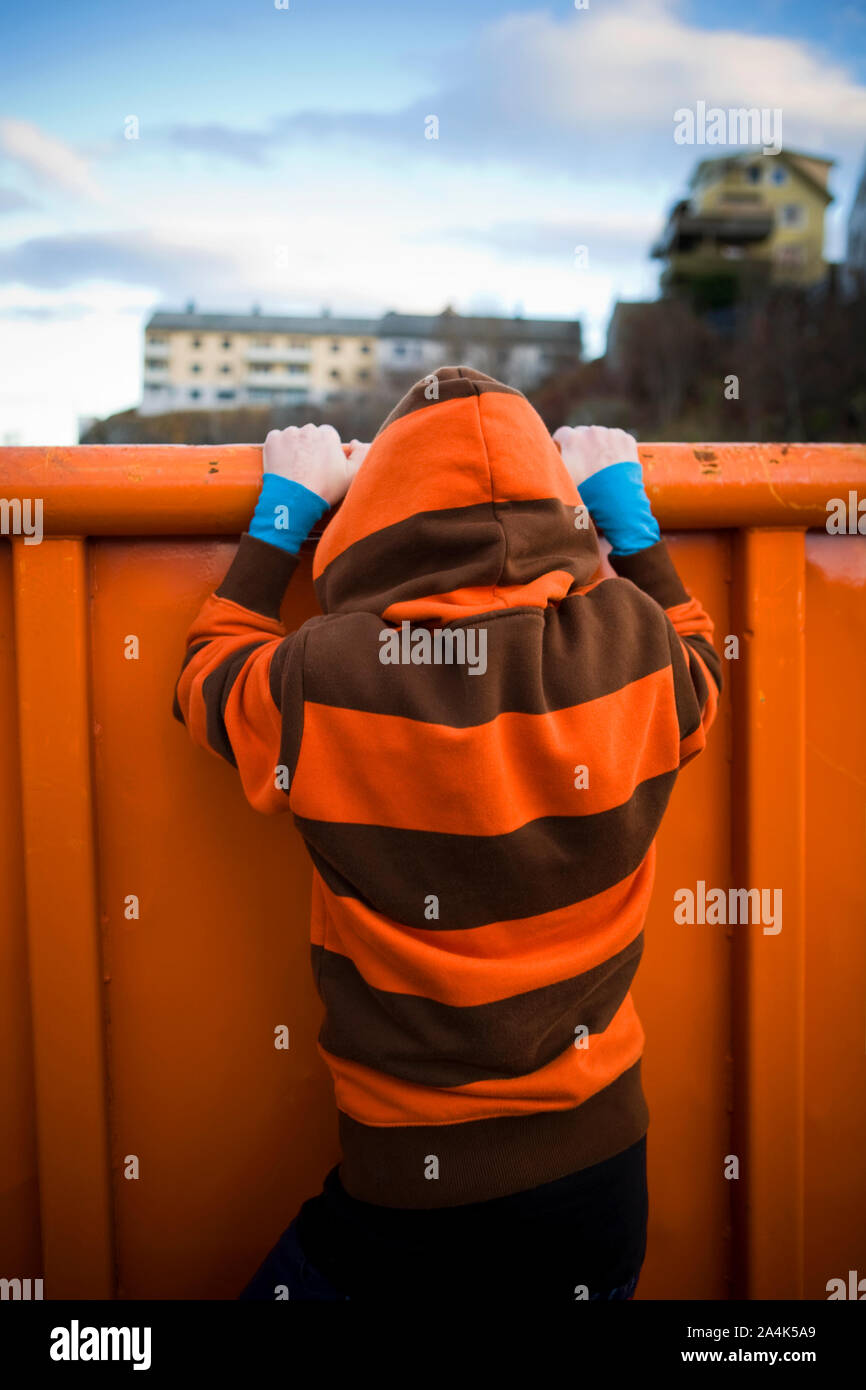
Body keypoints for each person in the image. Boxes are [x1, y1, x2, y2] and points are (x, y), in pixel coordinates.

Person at [172, 365, 721, 1303]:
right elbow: (703, 671)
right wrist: (626, 520)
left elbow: (205, 678)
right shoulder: (633, 645)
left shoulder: (329, 678)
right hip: (605, 1178)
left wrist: (286, 511)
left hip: (412, 1204)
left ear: (375, 522)